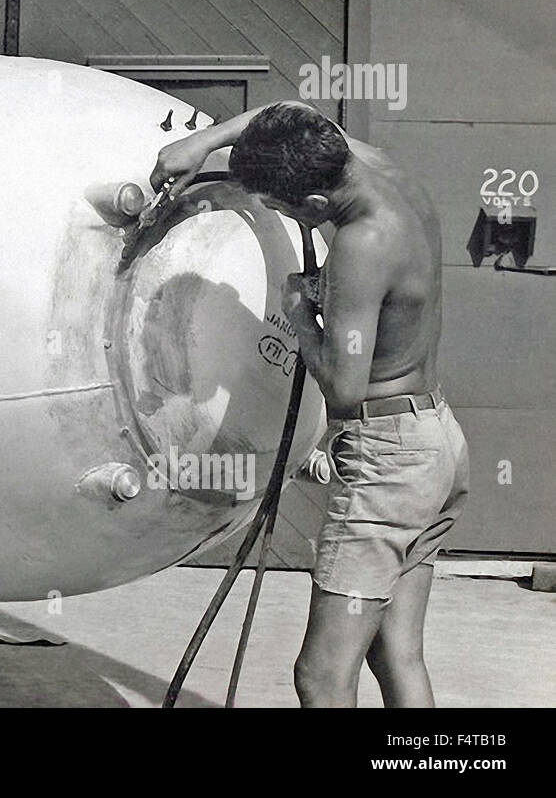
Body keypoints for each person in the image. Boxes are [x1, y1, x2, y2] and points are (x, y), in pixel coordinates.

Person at [150, 101, 468, 708]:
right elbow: (285, 112)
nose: (279, 214)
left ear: (316, 208)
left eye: (283, 209)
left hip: (388, 461)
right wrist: (205, 144)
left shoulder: (362, 243)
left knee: (321, 677)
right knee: (396, 654)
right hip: (435, 442)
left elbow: (345, 394)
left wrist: (299, 315)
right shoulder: (365, 161)